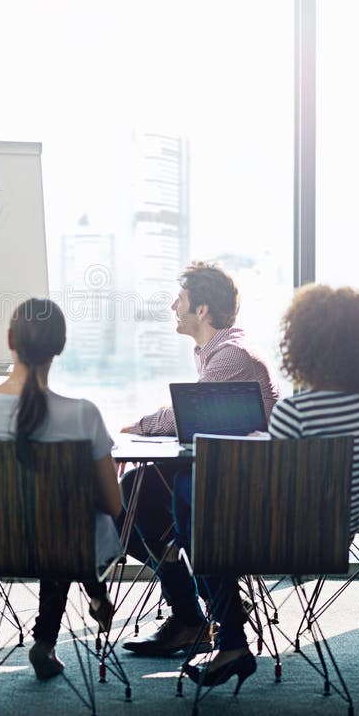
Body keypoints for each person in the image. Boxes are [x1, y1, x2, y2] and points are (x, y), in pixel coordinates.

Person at [180, 282, 359, 692]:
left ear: (304, 343)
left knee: (190, 494)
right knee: (192, 502)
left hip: (281, 540)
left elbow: (265, 487)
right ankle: (225, 629)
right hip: (334, 538)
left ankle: (229, 634)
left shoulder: (297, 409)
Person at [0, 298, 123, 680]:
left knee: (47, 518)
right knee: (60, 521)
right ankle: (54, 632)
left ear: (10, 339)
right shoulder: (83, 413)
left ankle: (51, 636)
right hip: (64, 548)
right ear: (60, 347)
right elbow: (113, 504)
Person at [121, 261, 279, 657]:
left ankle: (199, 612)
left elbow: (184, 414)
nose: (175, 307)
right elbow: (194, 416)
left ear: (202, 309)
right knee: (132, 497)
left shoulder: (231, 356)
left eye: (181, 300)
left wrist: (137, 426)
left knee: (141, 496)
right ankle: (200, 611)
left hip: (244, 495)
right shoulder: (215, 352)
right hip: (224, 480)